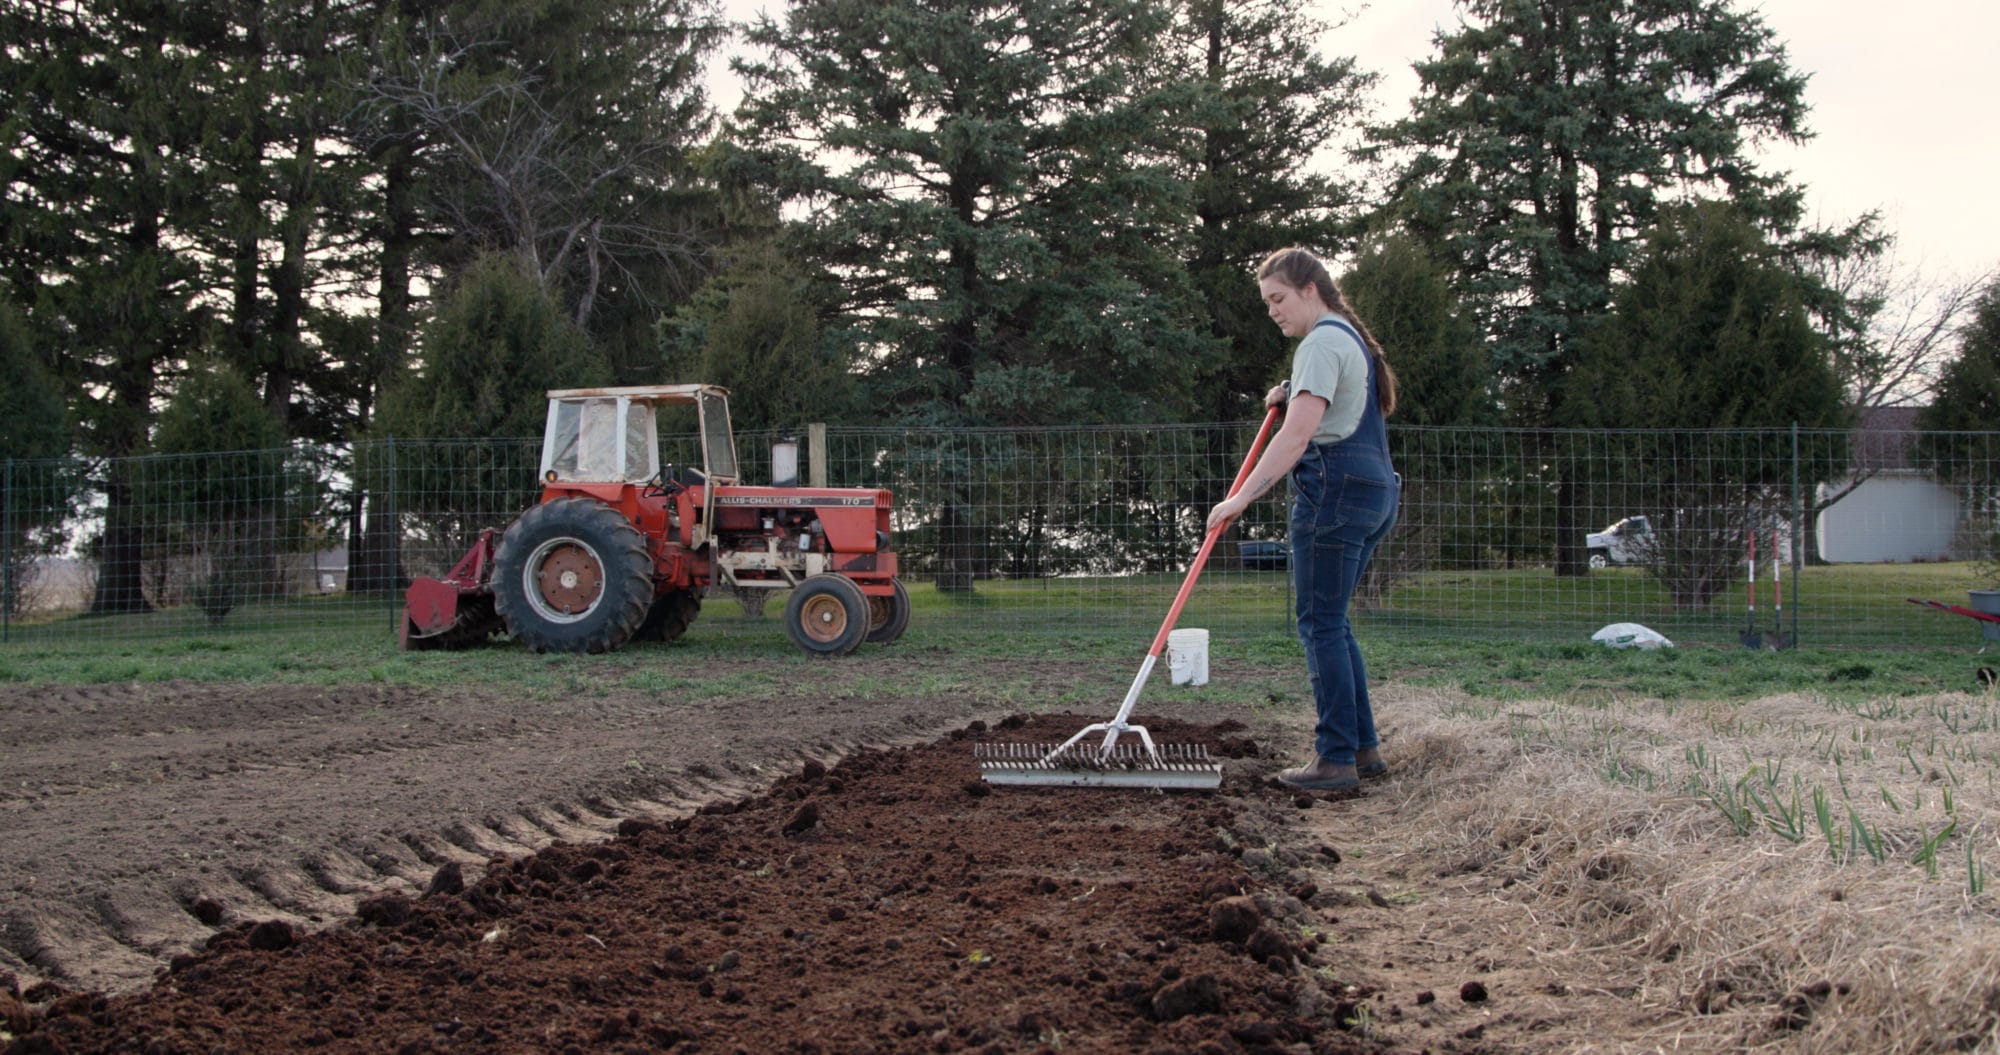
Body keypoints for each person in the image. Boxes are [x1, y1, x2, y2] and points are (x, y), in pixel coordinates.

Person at [1206, 247, 1400, 792]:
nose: (1272, 311)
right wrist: (1289, 394)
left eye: (1279, 298)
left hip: (1334, 496)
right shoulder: (1348, 339)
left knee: (1319, 625)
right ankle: (1362, 751)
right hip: (1375, 491)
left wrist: (1241, 498)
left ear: (1310, 290)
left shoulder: (1320, 343)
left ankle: (1334, 759)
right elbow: (1330, 405)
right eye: (1266, 302)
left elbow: (1297, 436)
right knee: (1333, 624)